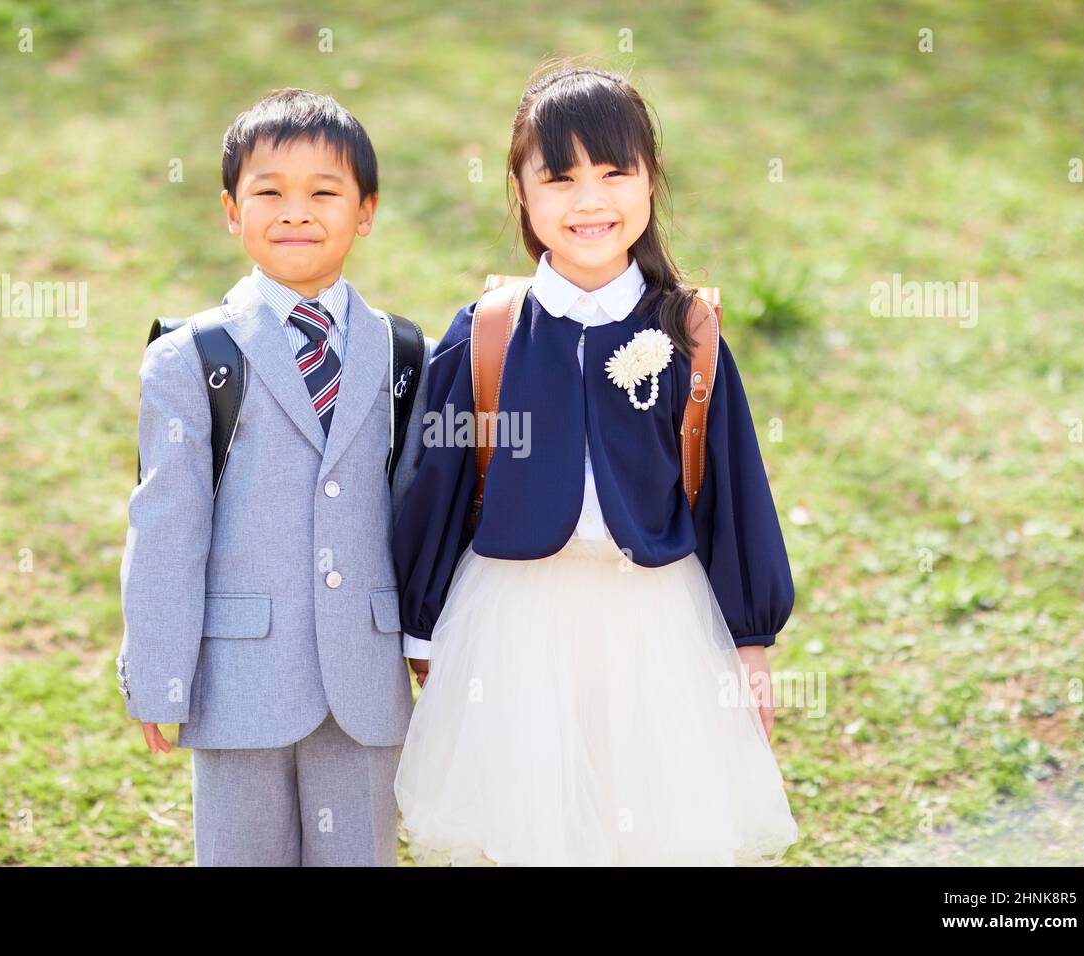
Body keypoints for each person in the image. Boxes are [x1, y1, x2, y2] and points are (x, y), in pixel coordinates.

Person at [392, 64, 800, 866]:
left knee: (647, 825)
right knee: (532, 824)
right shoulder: (486, 334)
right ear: (520, 189)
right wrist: (422, 632)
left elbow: (730, 489)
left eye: (616, 173)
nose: (589, 201)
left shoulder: (688, 334)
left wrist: (749, 644)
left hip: (654, 618)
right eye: (560, 177)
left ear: (651, 181)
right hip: (512, 620)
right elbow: (434, 489)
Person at [116, 88, 431, 866]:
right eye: (268, 193)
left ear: (366, 211)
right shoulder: (191, 358)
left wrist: (432, 644)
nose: (296, 211)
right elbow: (166, 526)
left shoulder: (402, 351)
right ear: (231, 210)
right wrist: (158, 673)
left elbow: (418, 510)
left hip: (366, 672)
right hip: (238, 676)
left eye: (324, 192)